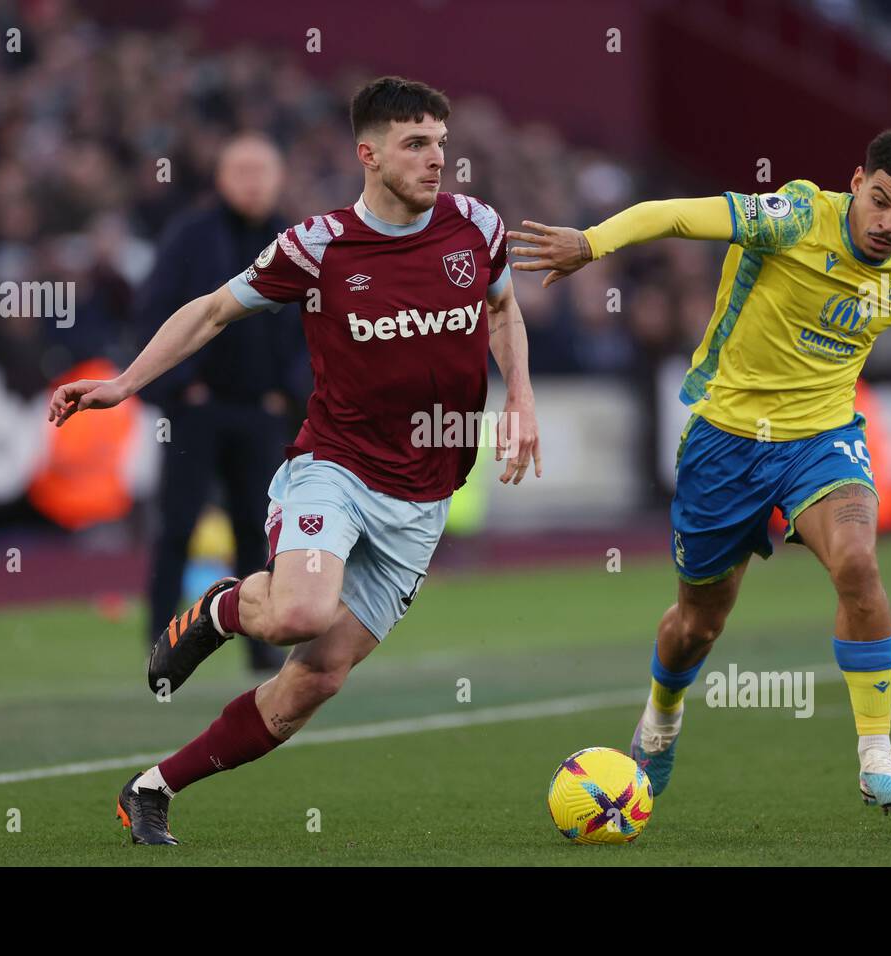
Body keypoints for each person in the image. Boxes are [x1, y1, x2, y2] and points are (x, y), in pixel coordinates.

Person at [48, 76, 541, 845]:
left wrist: (521, 401)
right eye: (416, 144)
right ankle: (222, 609)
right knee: (298, 613)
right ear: (368, 155)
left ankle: (152, 788)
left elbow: (503, 309)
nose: (436, 159)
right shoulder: (318, 247)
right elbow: (212, 310)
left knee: (313, 682)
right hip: (335, 468)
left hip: (424, 498)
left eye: (441, 143)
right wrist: (125, 383)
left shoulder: (476, 226)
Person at [508, 128, 891, 814]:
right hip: (726, 441)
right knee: (698, 624)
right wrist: (591, 243)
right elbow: (676, 215)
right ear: (856, 182)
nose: (889, 224)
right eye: (879, 201)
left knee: (857, 563)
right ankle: (661, 719)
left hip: (822, 439)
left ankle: (877, 757)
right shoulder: (795, 217)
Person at [134, 134, 307, 676]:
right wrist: (182, 384)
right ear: (221, 177)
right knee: (178, 525)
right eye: (242, 170)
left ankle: (260, 641)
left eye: (262, 170)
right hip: (197, 412)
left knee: (258, 527)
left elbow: (316, 325)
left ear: (279, 178)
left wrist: (289, 392)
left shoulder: (296, 240)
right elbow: (156, 309)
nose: (253, 182)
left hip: (261, 412)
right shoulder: (190, 235)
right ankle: (160, 640)